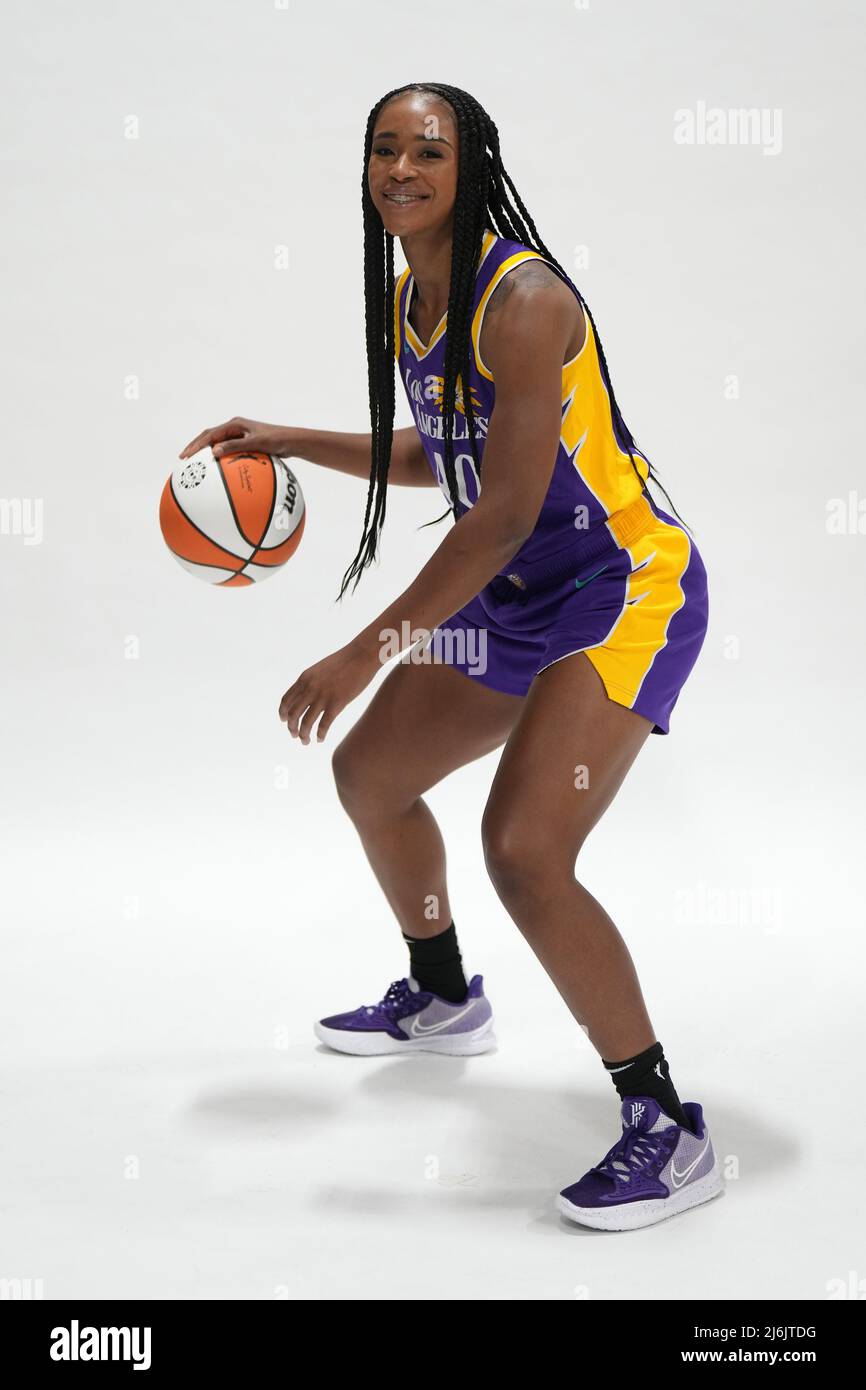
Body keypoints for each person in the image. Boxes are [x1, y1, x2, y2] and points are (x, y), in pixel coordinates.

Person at [180, 82, 722, 1231]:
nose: (400, 166)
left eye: (428, 148)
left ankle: (665, 1122)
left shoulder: (520, 300)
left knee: (523, 850)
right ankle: (440, 996)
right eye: (384, 147)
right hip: (519, 592)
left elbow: (503, 512)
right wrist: (291, 439)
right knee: (369, 777)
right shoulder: (408, 298)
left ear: (471, 166)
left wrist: (361, 653)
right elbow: (448, 457)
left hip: (619, 589)